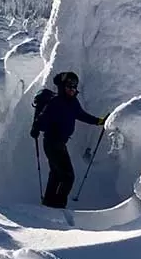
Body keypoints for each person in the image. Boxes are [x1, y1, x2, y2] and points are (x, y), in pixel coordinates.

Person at [30, 71, 106, 208]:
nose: (72, 89)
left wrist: (99, 121)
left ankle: (49, 203)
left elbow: (82, 115)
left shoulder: (72, 102)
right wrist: (36, 127)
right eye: (69, 86)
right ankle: (58, 205)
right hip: (53, 143)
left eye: (74, 87)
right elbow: (42, 119)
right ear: (62, 87)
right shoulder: (55, 102)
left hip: (58, 143)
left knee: (56, 173)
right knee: (67, 176)